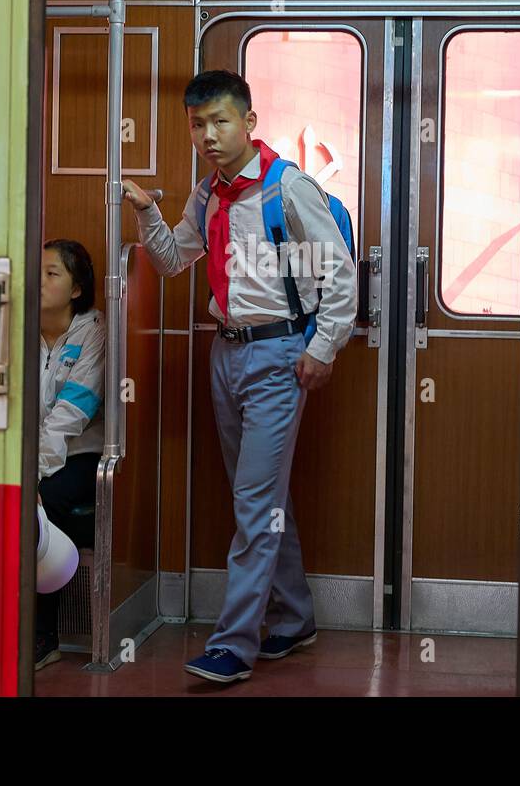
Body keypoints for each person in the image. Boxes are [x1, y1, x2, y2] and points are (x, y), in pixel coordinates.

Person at [122, 69, 356, 683]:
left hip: (280, 356)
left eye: (221, 121)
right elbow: (173, 263)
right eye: (198, 124)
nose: (209, 134)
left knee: (254, 500)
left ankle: (234, 643)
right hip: (225, 353)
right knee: (260, 497)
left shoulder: (288, 189)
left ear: (249, 122)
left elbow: (341, 274)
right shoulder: (207, 195)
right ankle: (295, 618)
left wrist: (324, 348)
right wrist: (149, 213)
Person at [35, 238, 105, 671]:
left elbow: (71, 414)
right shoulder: (17, 325)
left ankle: (44, 633)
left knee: (49, 498)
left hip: (80, 452)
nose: (38, 281)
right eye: (35, 271)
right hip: (26, 450)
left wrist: (33, 476)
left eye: (51, 273)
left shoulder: (92, 332)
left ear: (76, 288)